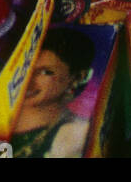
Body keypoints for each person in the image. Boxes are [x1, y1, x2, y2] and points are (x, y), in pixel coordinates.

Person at [12, 27, 94, 158]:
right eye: (25, 68)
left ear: (77, 77)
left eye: (46, 72)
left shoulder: (72, 136)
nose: (28, 80)